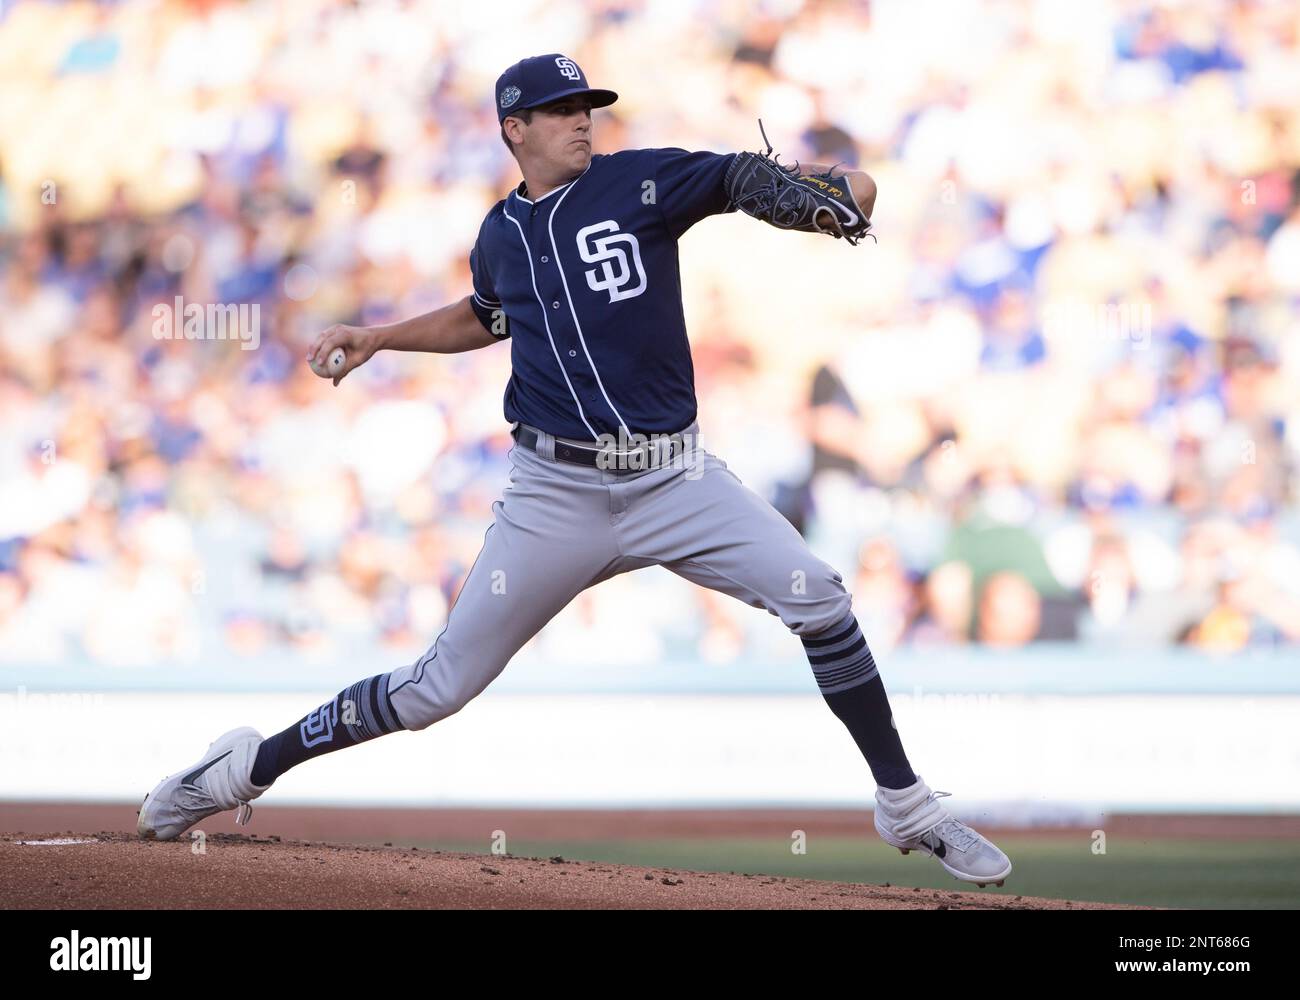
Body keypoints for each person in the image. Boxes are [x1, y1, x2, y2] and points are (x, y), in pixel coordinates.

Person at [138, 53, 1012, 888]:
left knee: (818, 594)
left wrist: (813, 190)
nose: (581, 123)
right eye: (561, 111)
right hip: (555, 494)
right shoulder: (500, 232)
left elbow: (738, 178)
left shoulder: (639, 181)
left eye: (587, 109)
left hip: (674, 480)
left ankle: (903, 804)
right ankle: (243, 769)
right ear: (513, 128)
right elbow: (485, 319)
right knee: (437, 688)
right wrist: (380, 337)